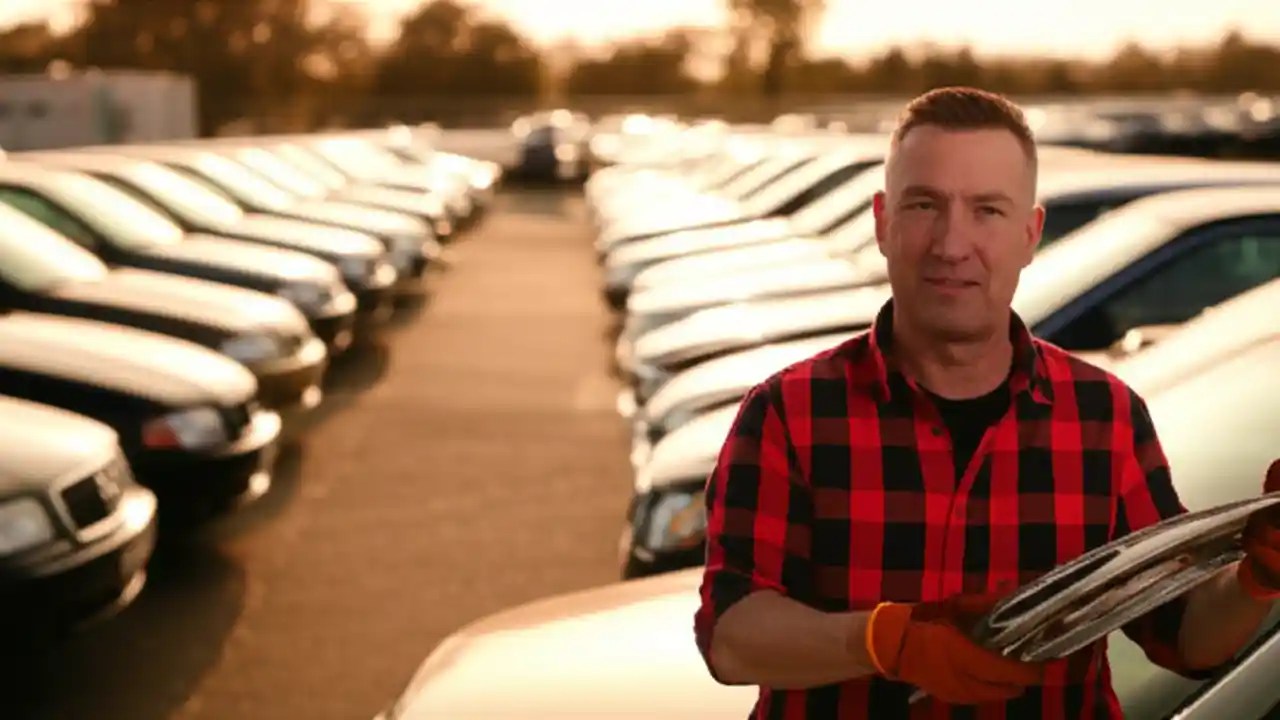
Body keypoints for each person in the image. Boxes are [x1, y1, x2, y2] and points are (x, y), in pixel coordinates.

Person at [692, 86, 1280, 719]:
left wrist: (1255, 579)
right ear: (881, 223)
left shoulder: (1105, 418)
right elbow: (731, 635)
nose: (951, 244)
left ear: (1031, 235)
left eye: (987, 211)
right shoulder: (789, 415)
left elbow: (1184, 633)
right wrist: (882, 640)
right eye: (924, 205)